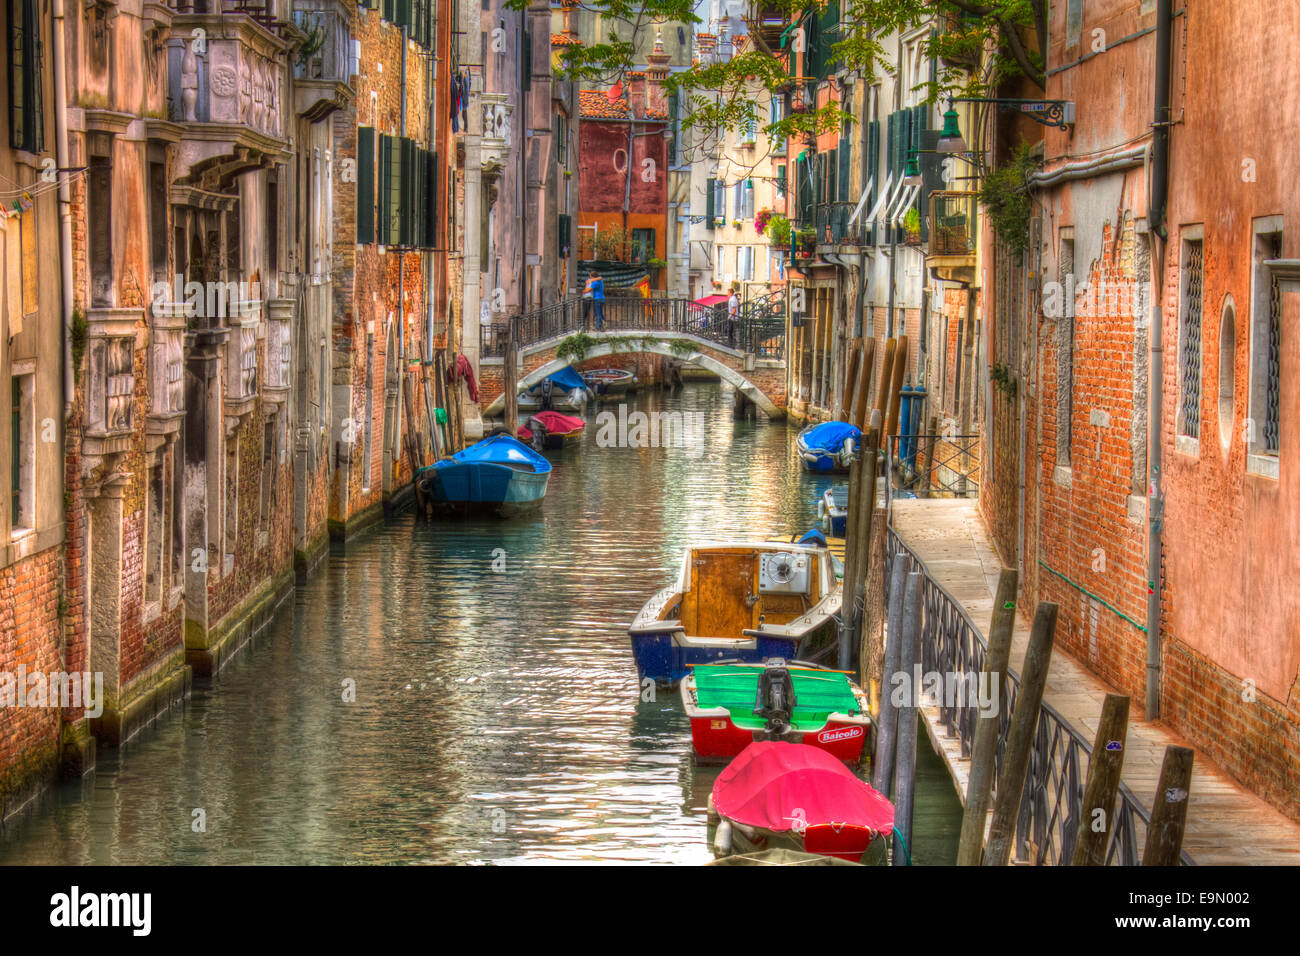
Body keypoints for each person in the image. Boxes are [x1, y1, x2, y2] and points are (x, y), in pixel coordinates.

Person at [727, 283, 740, 348]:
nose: (727, 294)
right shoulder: (733, 298)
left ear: (730, 293)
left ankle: (731, 345)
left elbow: (734, 310)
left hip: (733, 319)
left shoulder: (732, 299)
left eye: (728, 293)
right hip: (733, 318)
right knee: (730, 331)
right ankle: (731, 344)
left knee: (730, 332)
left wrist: (730, 317)